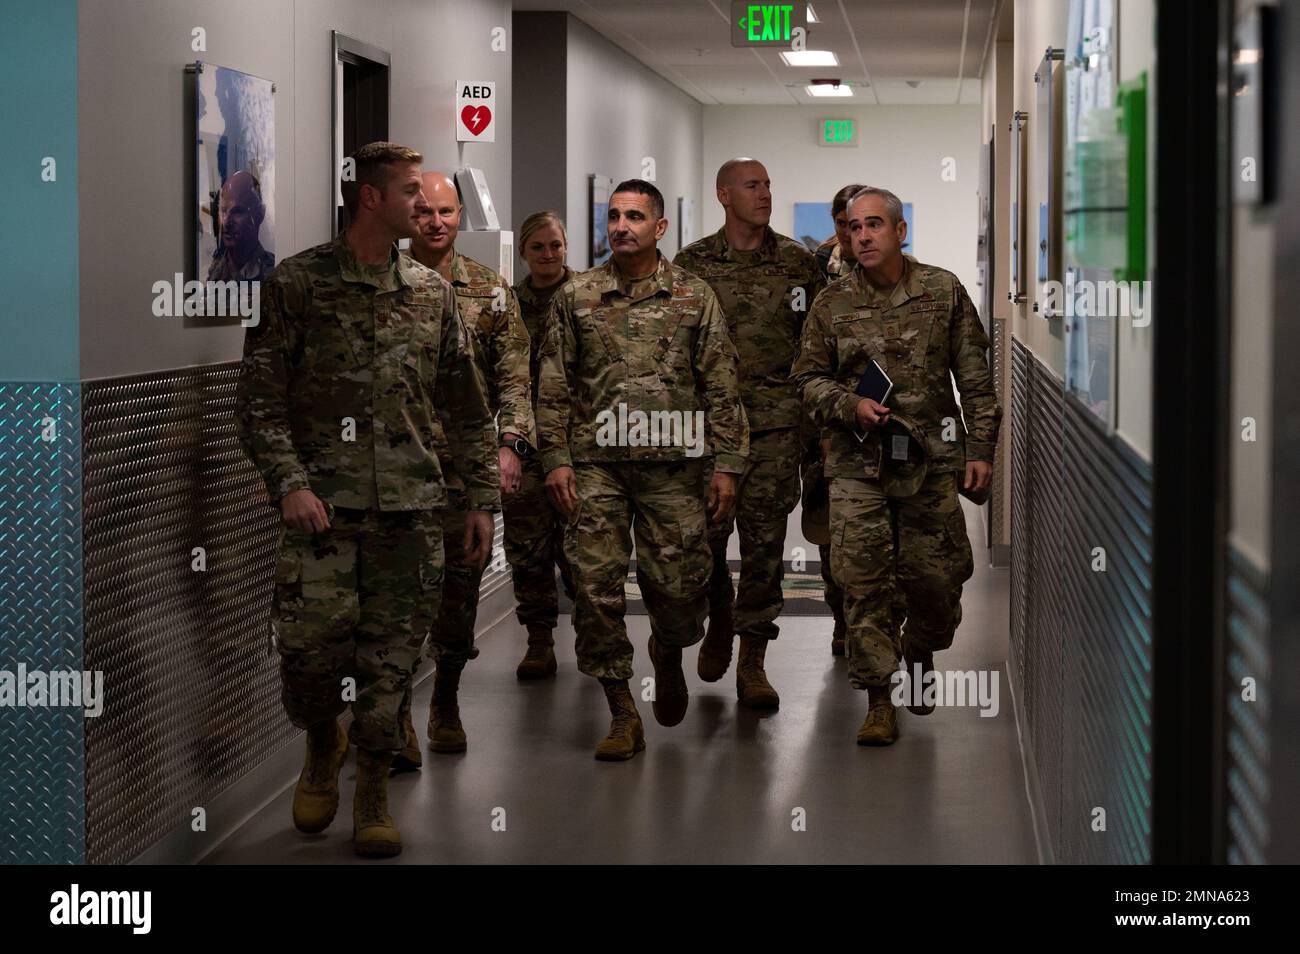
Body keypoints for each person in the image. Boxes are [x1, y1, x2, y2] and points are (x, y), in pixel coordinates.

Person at [234, 142, 498, 856]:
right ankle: (323, 743)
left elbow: (469, 409)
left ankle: (373, 793)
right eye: (413, 192)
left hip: (412, 511)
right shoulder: (299, 283)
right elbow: (259, 401)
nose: (426, 205)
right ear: (373, 199)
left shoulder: (431, 292)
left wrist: (480, 499)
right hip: (323, 511)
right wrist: (289, 483)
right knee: (310, 660)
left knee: (389, 666)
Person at [536, 178, 748, 760]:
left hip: (675, 469)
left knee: (678, 592)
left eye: (634, 216)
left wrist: (728, 464)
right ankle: (622, 710)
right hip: (597, 467)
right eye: (613, 216)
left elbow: (721, 385)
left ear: (659, 228)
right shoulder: (577, 297)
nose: (621, 226)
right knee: (594, 588)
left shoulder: (692, 296)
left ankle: (670, 651)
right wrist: (554, 458)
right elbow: (552, 385)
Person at [793, 186, 1001, 746]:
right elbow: (807, 380)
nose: (862, 236)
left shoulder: (942, 291)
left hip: (930, 464)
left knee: (937, 582)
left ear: (899, 231)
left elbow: (977, 381)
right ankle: (879, 698)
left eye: (874, 225)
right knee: (862, 583)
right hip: (856, 464)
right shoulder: (831, 303)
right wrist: (849, 404)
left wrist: (981, 450)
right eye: (854, 227)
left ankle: (921, 649)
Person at [673, 158, 823, 709]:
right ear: (723, 195)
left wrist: (816, 428)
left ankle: (753, 661)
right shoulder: (691, 266)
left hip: (777, 429)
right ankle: (719, 618)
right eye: (753, 185)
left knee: (765, 547)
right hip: (709, 430)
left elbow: (819, 344)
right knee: (706, 543)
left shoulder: (798, 264)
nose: (764, 194)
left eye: (768, 184)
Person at [398, 170, 534, 763]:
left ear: (460, 217)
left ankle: (445, 698)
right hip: (396, 468)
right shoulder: (386, 285)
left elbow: (515, 375)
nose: (435, 223)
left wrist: (511, 446)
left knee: (458, 592)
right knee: (396, 600)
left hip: (463, 471)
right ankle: (393, 716)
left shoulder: (489, 290)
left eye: (446, 212)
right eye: (424, 211)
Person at [508, 211, 578, 679]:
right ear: (523, 253)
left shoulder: (587, 297)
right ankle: (539, 639)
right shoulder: (508, 304)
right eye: (538, 248)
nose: (548, 255)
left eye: (555, 245)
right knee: (528, 547)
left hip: (579, 444)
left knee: (583, 548)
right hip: (526, 443)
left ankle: (594, 633)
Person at [207, 170, 275, 283]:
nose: (226, 222)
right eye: (223, 211)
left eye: (237, 211)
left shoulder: (275, 274)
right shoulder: (208, 274)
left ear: (259, 215)